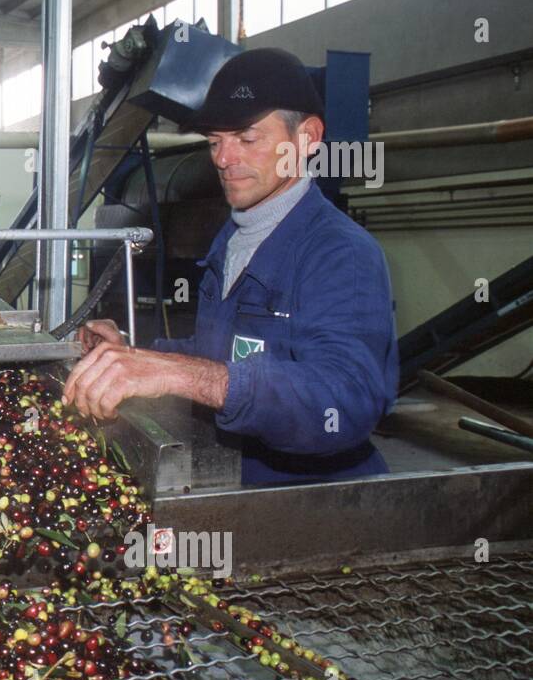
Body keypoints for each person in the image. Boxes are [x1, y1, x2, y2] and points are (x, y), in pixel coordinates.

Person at [62, 48, 398, 485]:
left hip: (310, 505)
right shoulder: (234, 240)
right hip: (233, 484)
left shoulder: (342, 254)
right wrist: (131, 354)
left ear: (308, 138)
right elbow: (224, 355)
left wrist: (181, 375)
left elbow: (343, 402)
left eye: (247, 138)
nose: (223, 159)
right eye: (216, 141)